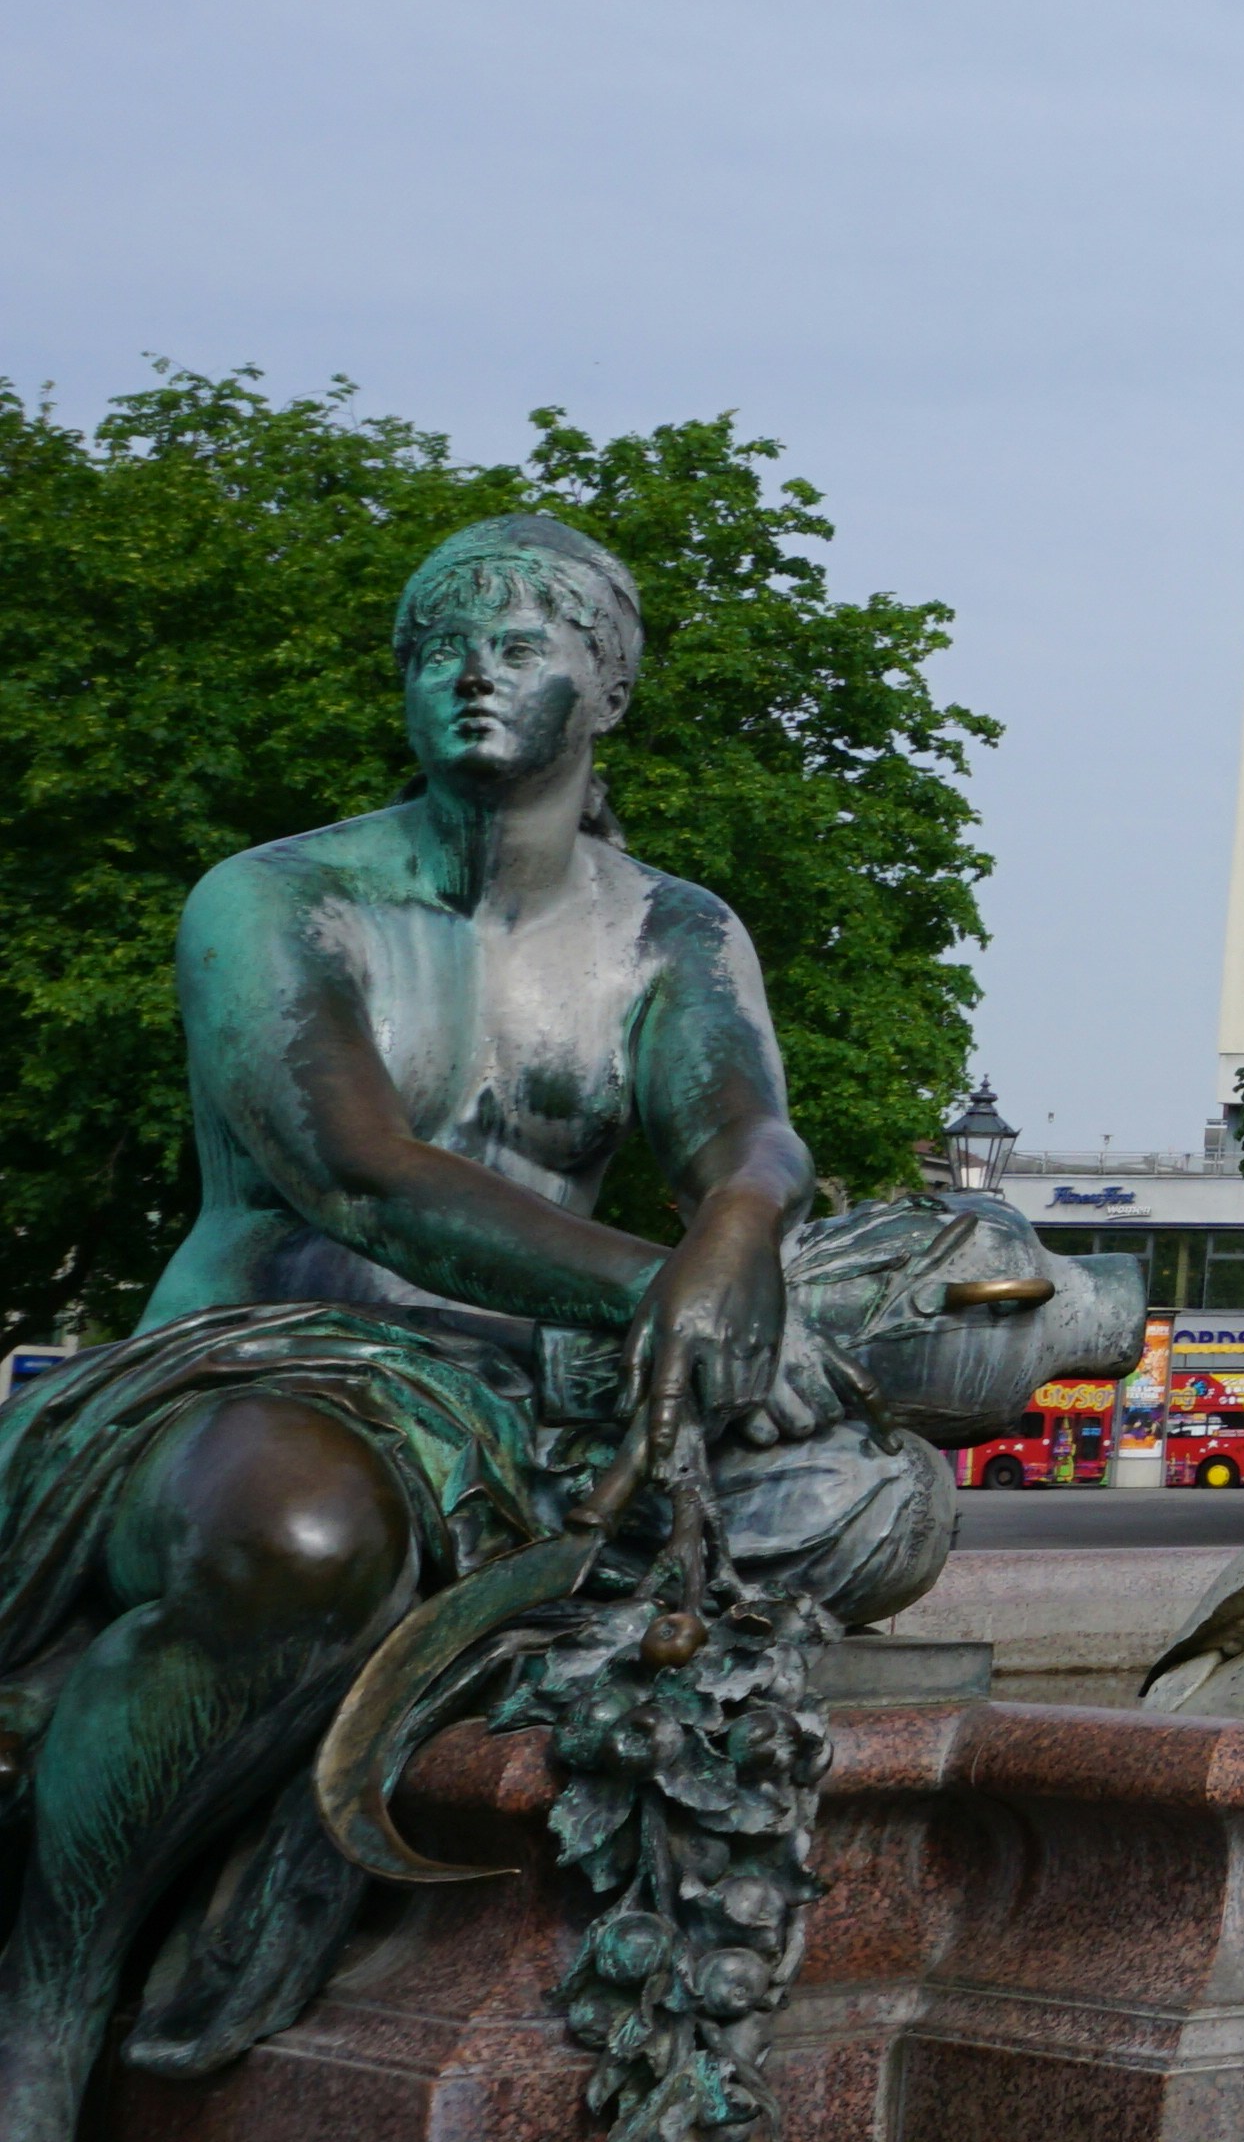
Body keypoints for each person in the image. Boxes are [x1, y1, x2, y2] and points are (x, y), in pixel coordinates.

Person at [0, 517, 949, 2142]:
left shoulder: (673, 932)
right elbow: (360, 1176)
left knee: (880, 1491)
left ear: (611, 686)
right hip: (265, 1360)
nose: (473, 672)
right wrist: (671, 1282)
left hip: (530, 1385)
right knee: (301, 1536)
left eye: (521, 641)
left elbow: (749, 1133)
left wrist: (741, 1229)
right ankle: (47, 1985)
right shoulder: (274, 902)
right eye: (440, 644)